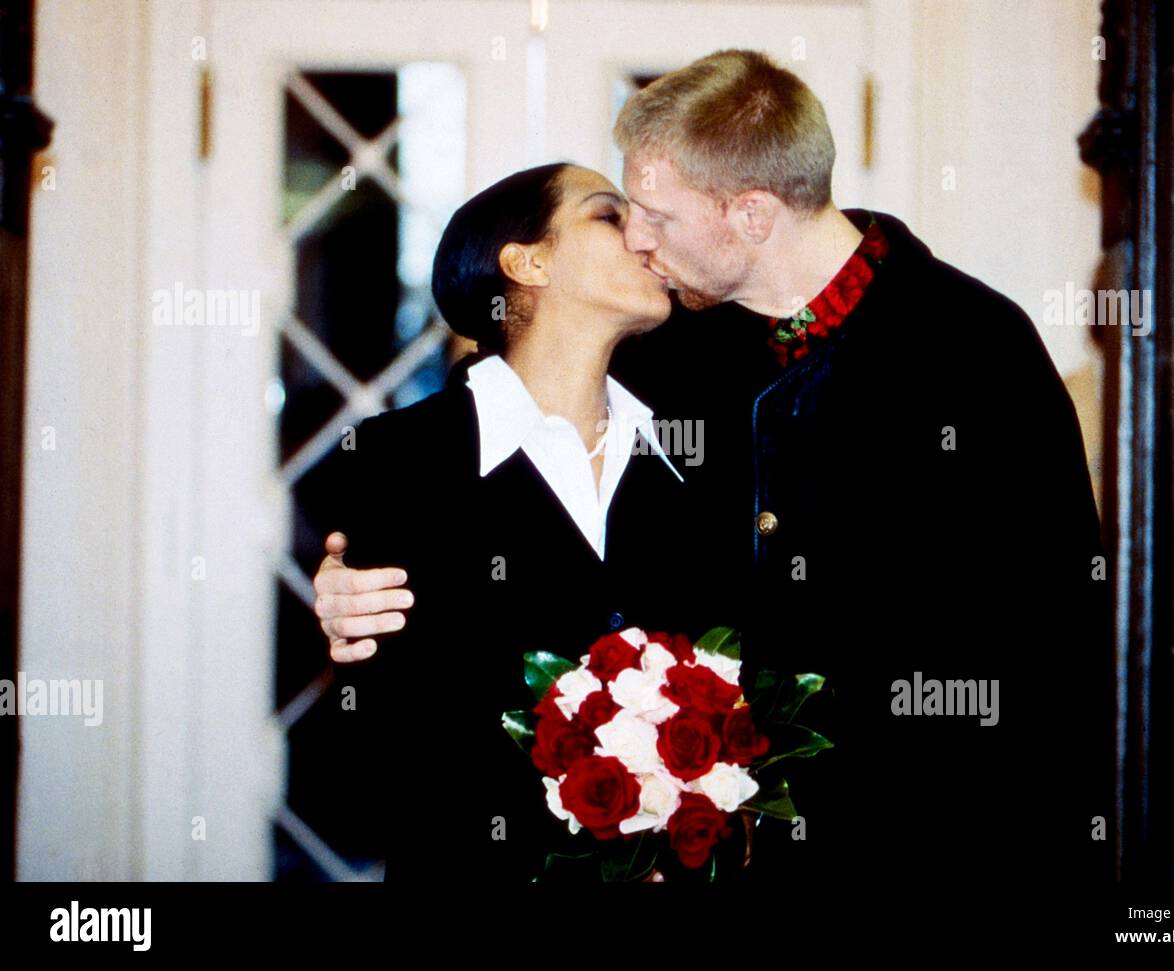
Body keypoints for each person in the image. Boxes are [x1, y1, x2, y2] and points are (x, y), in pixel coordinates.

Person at [318, 50, 1113, 902]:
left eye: (653, 214)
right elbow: (503, 396)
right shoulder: (669, 348)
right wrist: (348, 589)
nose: (638, 240)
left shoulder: (975, 350)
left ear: (751, 212)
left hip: (922, 861)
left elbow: (1061, 648)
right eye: (619, 214)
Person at [325, 160, 746, 883]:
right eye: (609, 215)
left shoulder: (696, 459)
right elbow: (380, 750)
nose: (644, 234)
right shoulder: (400, 460)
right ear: (527, 261)